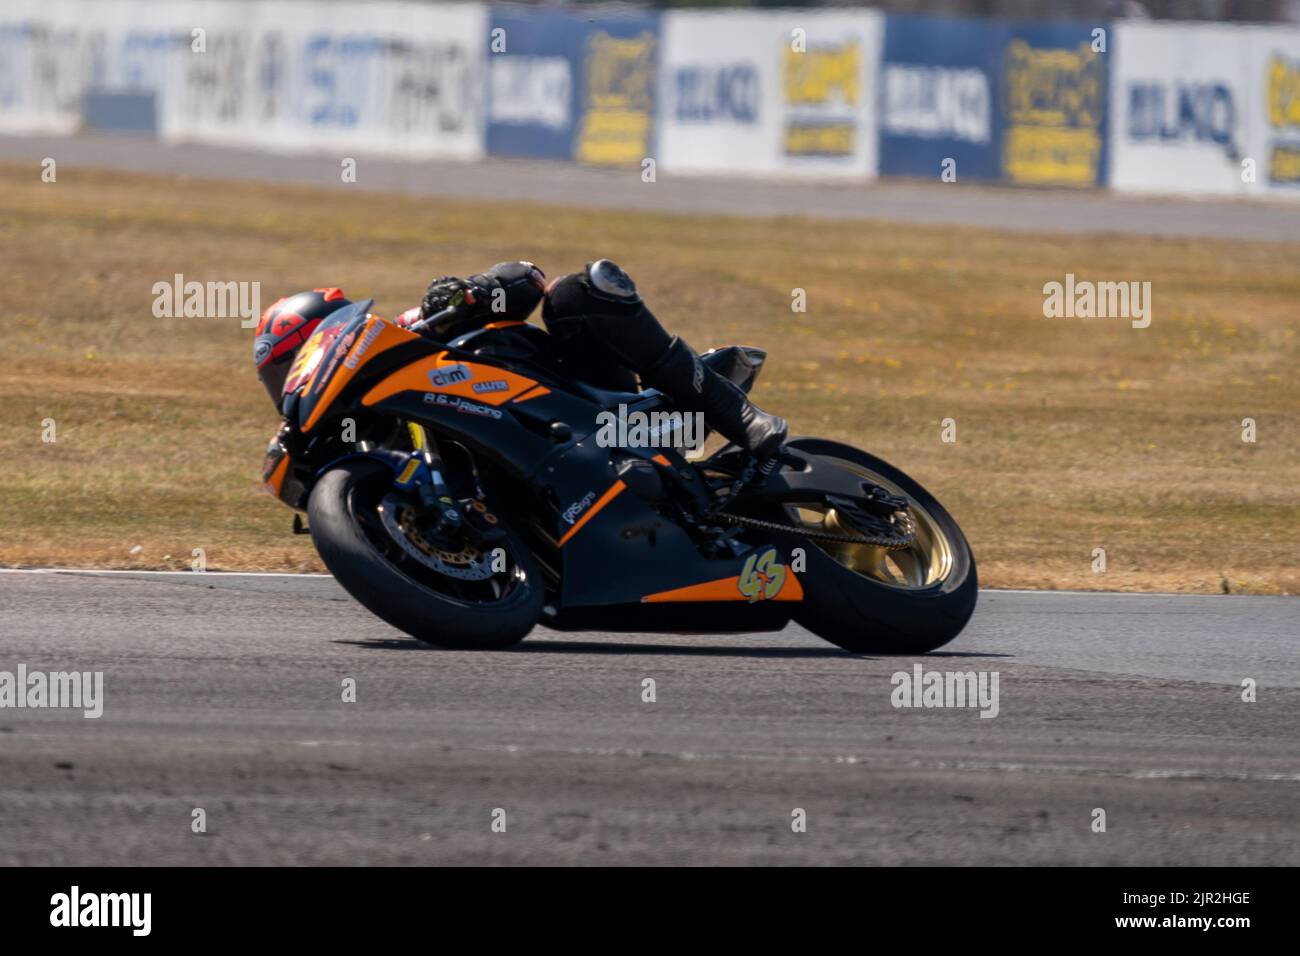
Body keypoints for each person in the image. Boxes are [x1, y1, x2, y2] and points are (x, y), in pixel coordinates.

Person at [402, 259, 787, 458]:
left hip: (587, 414)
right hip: (508, 451)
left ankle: (731, 411)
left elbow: (526, 278)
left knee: (573, 293)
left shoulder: (393, 335)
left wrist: (468, 293)